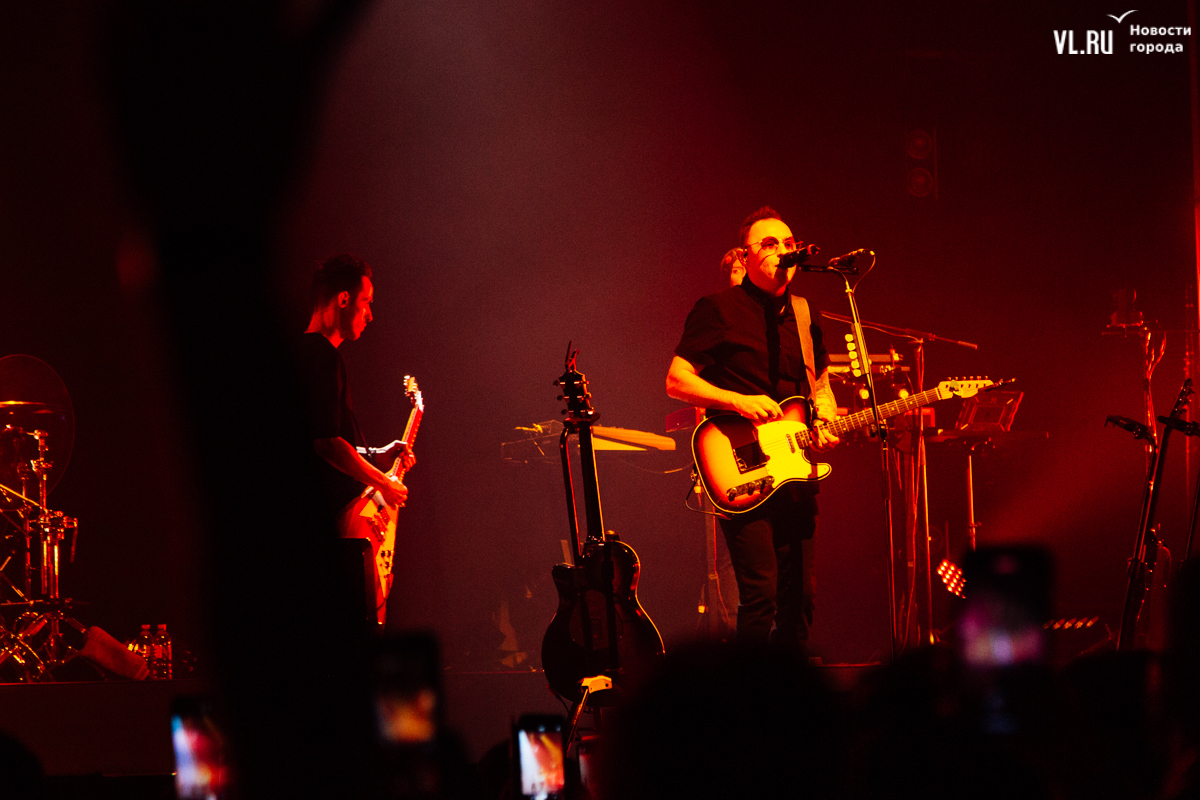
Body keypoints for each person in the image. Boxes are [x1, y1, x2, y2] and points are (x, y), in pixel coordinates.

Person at [666, 207, 839, 651]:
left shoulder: (804, 314)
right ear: (746, 255)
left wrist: (829, 418)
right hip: (742, 467)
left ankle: (790, 704)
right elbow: (677, 380)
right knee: (760, 597)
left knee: (801, 599)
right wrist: (738, 401)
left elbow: (820, 387)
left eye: (788, 243)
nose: (783, 250)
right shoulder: (718, 309)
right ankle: (747, 706)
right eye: (769, 243)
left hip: (795, 469)